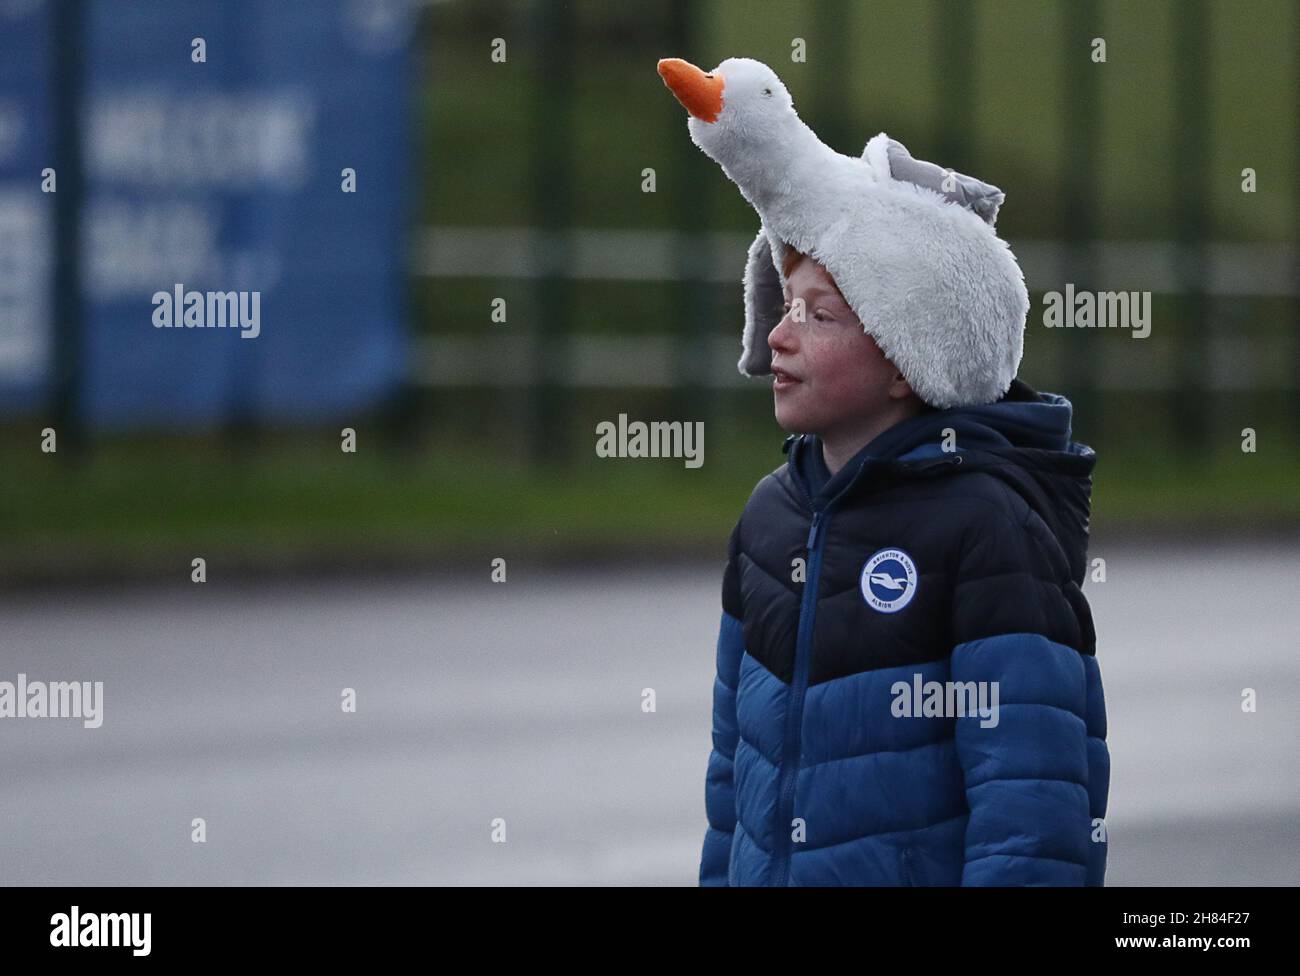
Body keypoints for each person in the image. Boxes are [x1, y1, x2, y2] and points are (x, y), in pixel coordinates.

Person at [699, 160, 1109, 887]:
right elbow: (733, 779)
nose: (780, 338)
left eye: (820, 316)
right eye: (788, 307)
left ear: (906, 360)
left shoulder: (989, 530)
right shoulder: (769, 517)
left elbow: (1031, 808)